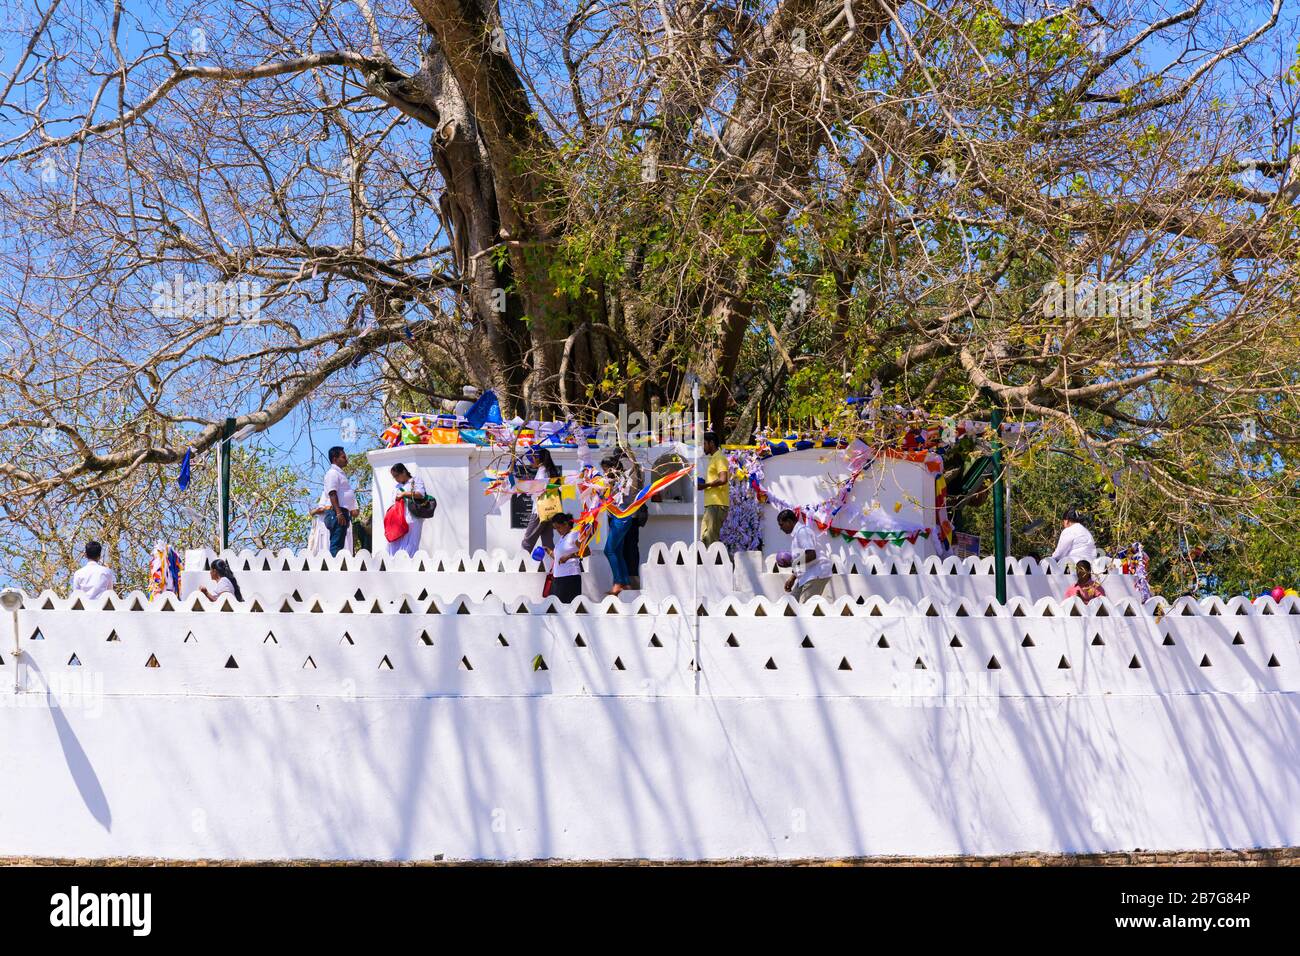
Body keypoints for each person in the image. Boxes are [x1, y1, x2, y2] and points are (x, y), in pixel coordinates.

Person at [309, 446, 357, 556]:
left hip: (342, 512)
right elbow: (332, 493)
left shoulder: (340, 473)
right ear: (335, 459)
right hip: (336, 513)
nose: (346, 459)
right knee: (336, 543)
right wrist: (339, 512)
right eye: (343, 457)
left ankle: (336, 564)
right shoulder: (332, 473)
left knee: (340, 543)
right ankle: (334, 567)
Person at [777, 509, 834, 601]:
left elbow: (811, 555)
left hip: (816, 573)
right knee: (792, 606)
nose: (781, 528)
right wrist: (793, 578)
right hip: (806, 576)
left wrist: (791, 563)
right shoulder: (796, 535)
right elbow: (803, 561)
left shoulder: (803, 531)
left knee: (805, 609)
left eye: (781, 525)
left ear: (789, 521)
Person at [601, 454, 636, 596]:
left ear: (613, 468)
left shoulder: (624, 480)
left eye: (605, 469)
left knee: (608, 550)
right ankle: (626, 582)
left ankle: (618, 583)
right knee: (617, 551)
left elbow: (624, 496)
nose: (604, 473)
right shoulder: (611, 481)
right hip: (616, 518)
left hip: (622, 518)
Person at [521, 447, 561, 554]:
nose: (531, 461)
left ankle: (521, 565)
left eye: (532, 458)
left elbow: (538, 491)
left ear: (538, 459)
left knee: (527, 541)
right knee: (548, 543)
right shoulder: (548, 471)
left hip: (539, 512)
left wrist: (528, 487)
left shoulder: (543, 473)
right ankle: (554, 566)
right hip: (549, 511)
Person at [388, 463, 428, 555]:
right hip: (400, 520)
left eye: (397, 476)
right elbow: (393, 503)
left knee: (412, 542)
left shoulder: (415, 480)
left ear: (404, 472)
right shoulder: (397, 487)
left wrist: (404, 494)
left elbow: (420, 494)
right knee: (396, 543)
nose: (396, 479)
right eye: (394, 477)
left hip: (413, 518)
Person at [698, 430, 729, 546]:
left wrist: (705, 485)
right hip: (711, 504)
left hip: (717, 504)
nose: (703, 447)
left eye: (704, 444)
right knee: (705, 539)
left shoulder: (719, 458)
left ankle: (721, 563)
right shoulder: (714, 458)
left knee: (711, 540)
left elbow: (723, 479)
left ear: (711, 443)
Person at [548, 513, 583, 604]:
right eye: (556, 529)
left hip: (570, 577)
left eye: (559, 527)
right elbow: (559, 559)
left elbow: (586, 552)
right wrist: (549, 551)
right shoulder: (563, 538)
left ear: (566, 524)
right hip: (558, 578)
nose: (558, 531)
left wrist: (569, 556)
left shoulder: (575, 535)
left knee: (568, 609)